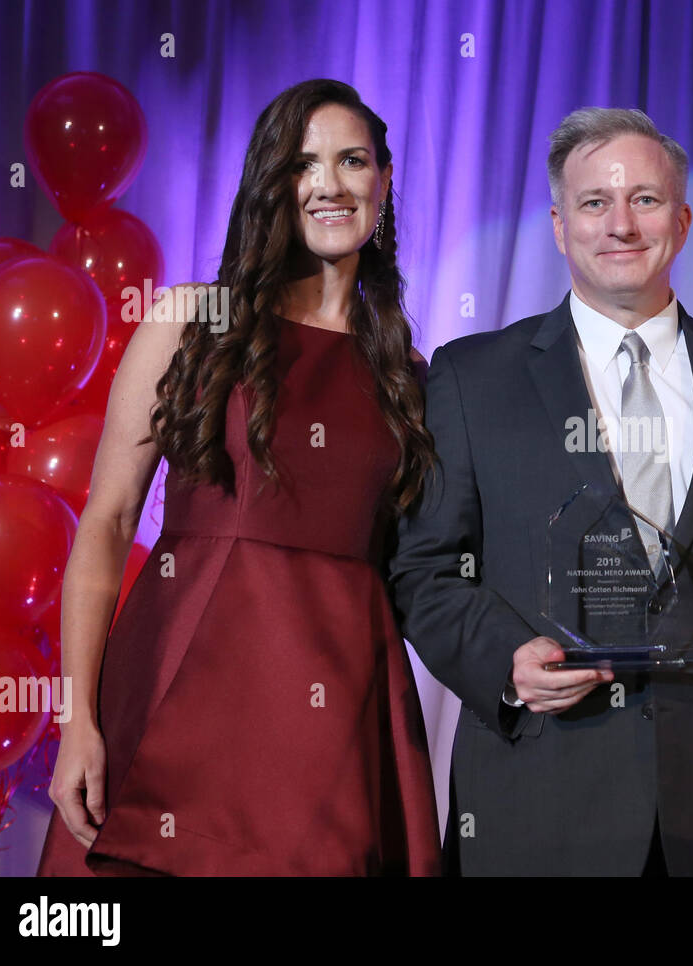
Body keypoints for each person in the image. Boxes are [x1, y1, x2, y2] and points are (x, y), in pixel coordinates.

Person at [388, 107, 693, 876]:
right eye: (595, 203)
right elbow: (423, 569)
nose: (620, 224)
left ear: (682, 221)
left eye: (645, 200)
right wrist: (505, 664)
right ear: (560, 226)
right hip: (537, 793)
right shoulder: (470, 377)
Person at [36, 79, 441, 876]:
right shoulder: (195, 320)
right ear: (271, 184)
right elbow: (111, 522)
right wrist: (77, 719)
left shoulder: (409, 377)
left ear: (383, 182)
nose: (328, 184)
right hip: (173, 689)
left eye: (352, 160)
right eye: (303, 164)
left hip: (334, 722)